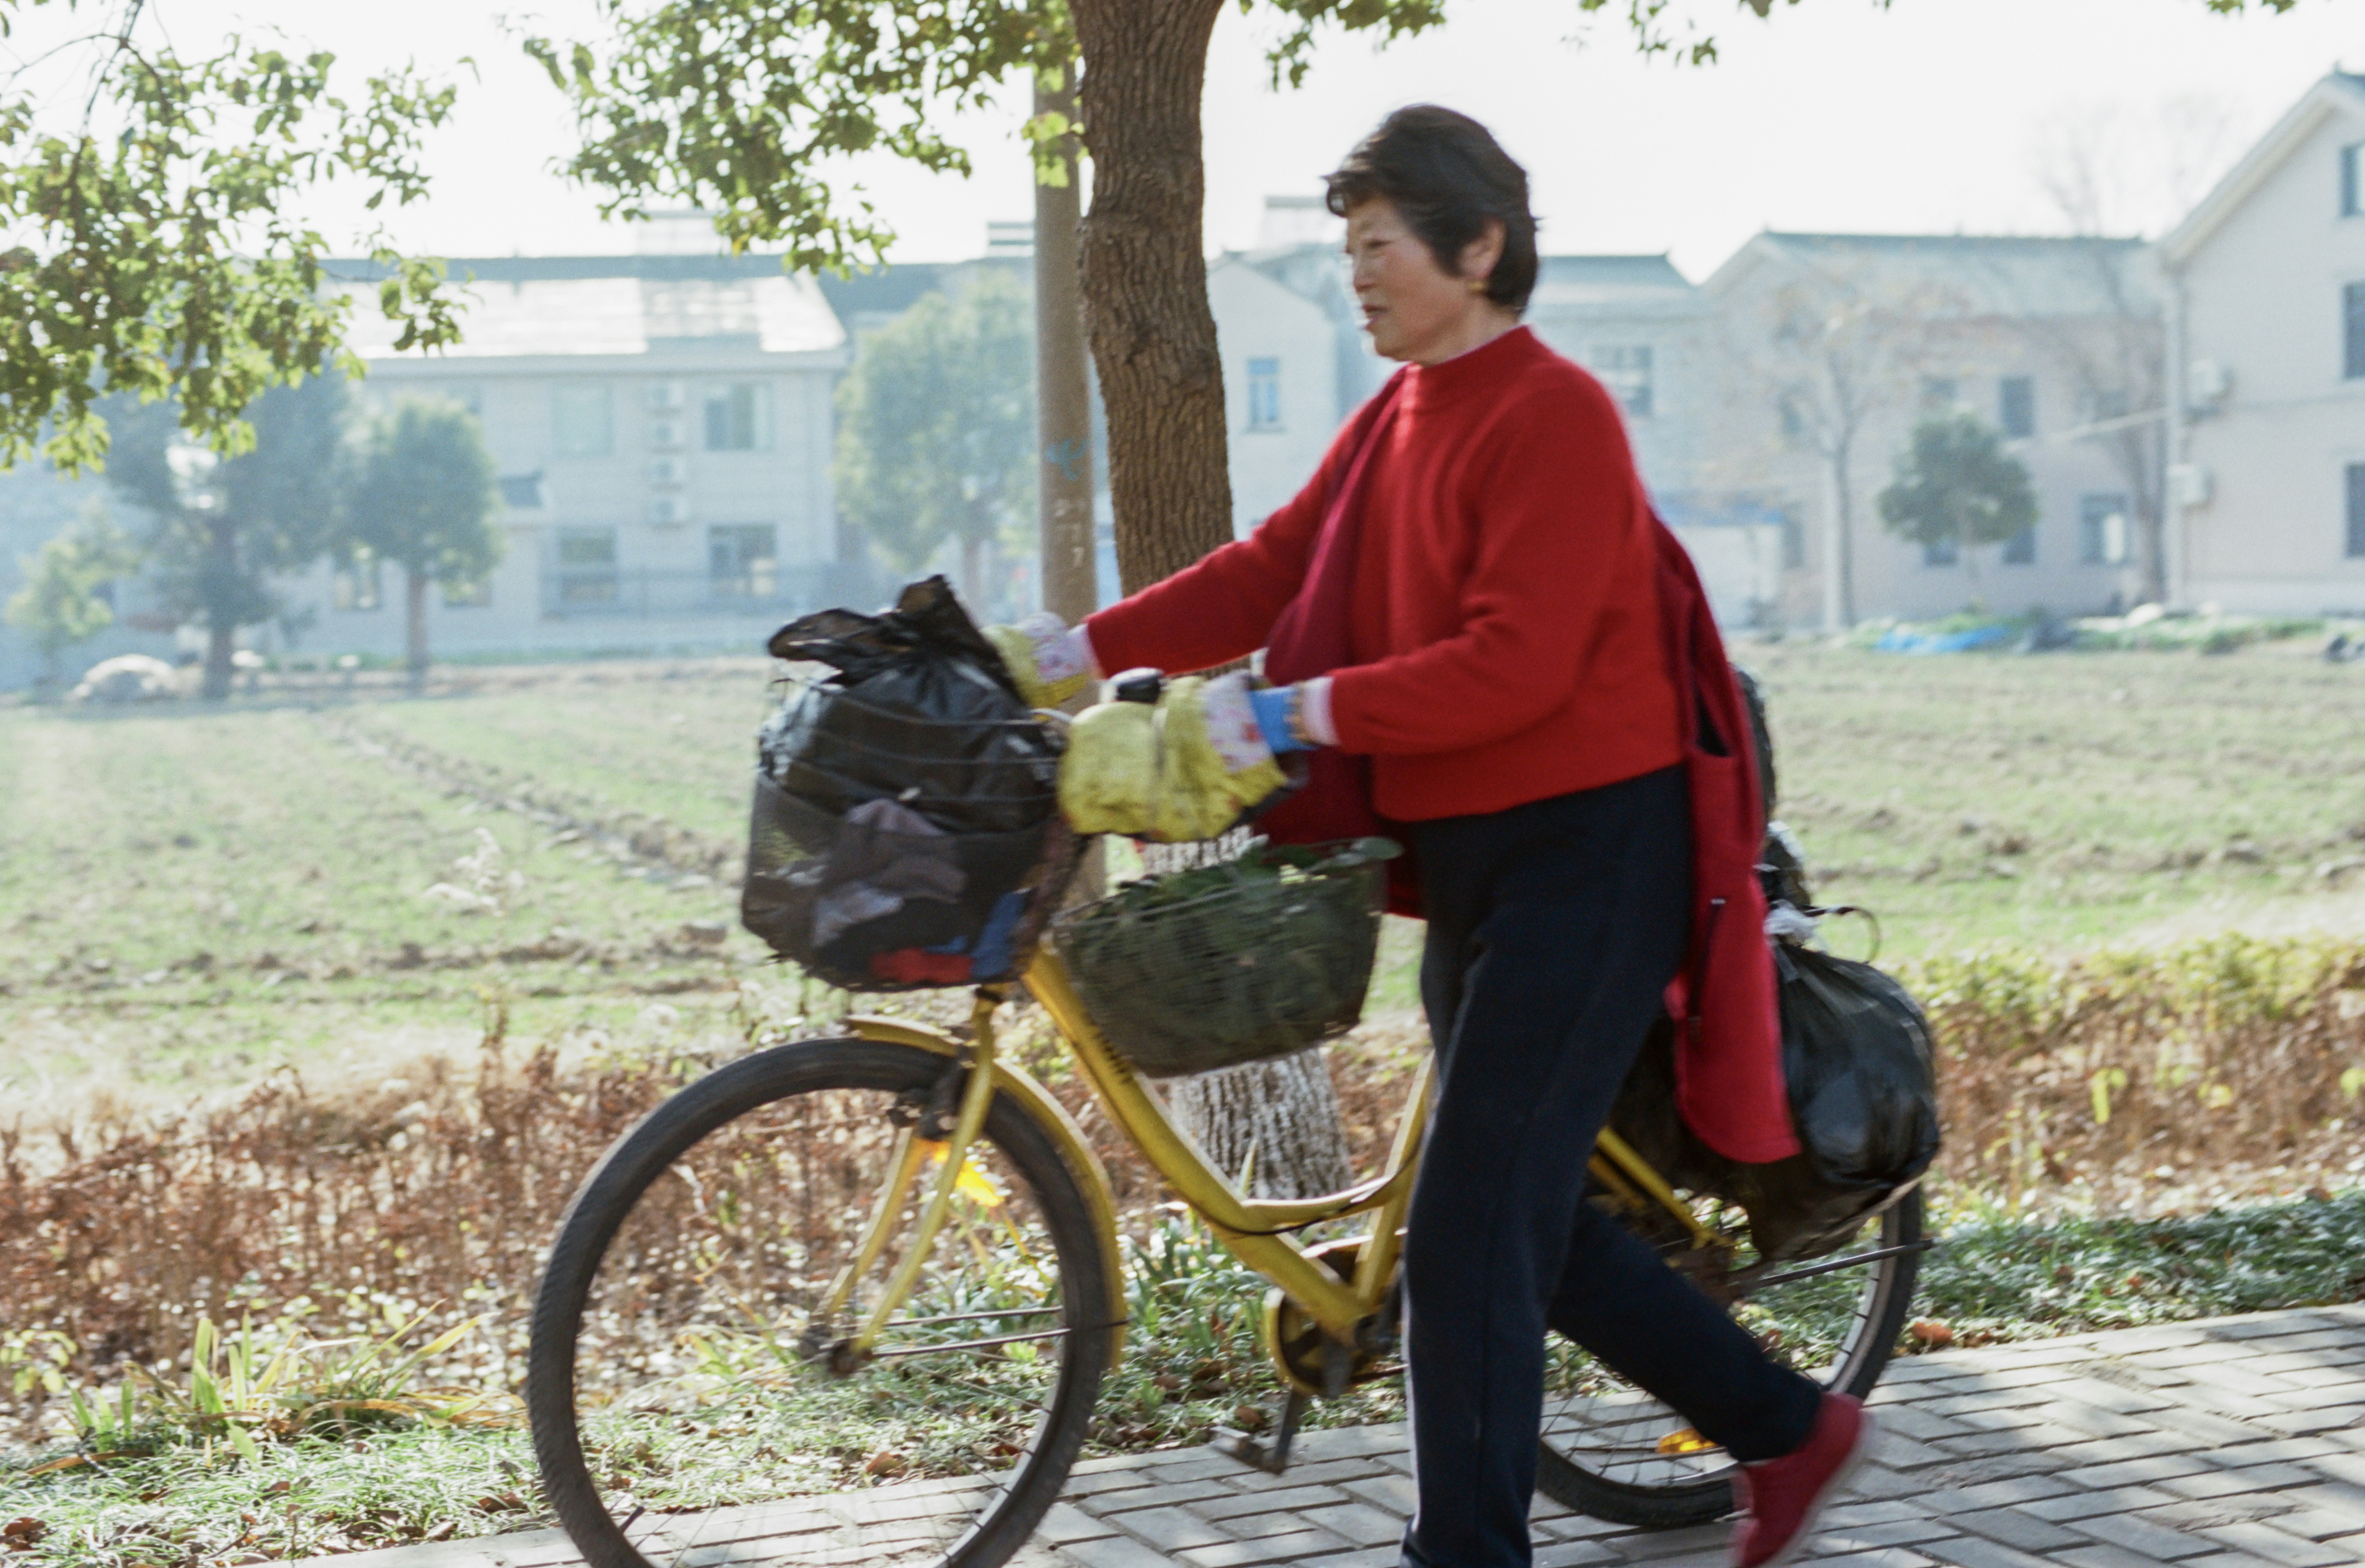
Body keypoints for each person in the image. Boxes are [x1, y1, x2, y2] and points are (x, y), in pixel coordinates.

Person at [1006, 106, 1870, 1568]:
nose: (1357, 274)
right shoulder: (1396, 414)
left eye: (1379, 246)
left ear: (1475, 249)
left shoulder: (1552, 414)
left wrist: (1297, 718)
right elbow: (1268, 573)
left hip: (1594, 859)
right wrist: (1078, 648)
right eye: (1347, 248)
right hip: (1475, 867)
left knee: (1467, 1230)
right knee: (1518, 1209)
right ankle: (1789, 1427)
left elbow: (1512, 663)